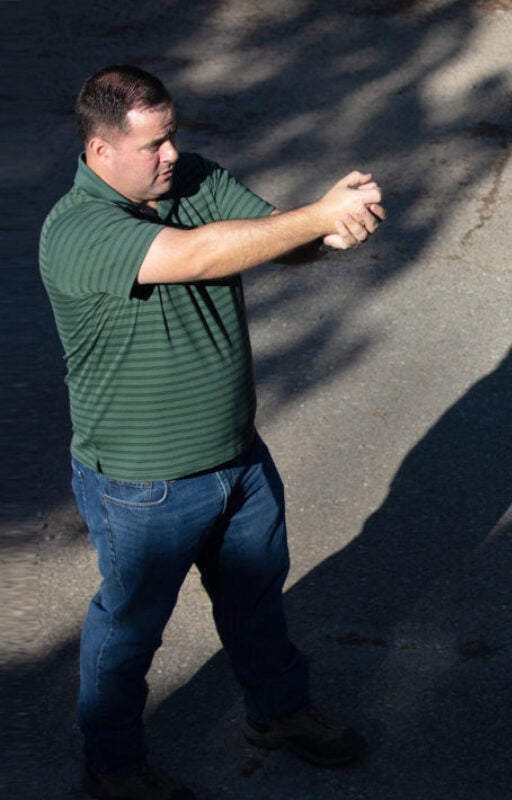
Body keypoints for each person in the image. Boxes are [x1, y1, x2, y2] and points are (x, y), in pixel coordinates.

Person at [39, 65, 386, 800]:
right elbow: (197, 255)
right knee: (130, 630)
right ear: (101, 151)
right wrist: (317, 216)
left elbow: (267, 240)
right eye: (153, 144)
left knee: (258, 599)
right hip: (144, 481)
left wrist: (329, 233)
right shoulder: (78, 229)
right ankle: (112, 764)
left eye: (173, 137)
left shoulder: (192, 180)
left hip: (238, 457)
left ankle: (279, 714)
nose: (171, 154)